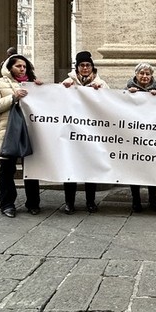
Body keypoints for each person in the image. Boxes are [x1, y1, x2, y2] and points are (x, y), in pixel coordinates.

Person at [0, 54, 43, 218]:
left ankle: (33, 203)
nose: (22, 69)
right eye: (18, 66)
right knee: (7, 170)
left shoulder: (32, 84)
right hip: (8, 133)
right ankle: (7, 204)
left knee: (32, 169)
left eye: (24, 66)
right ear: (9, 67)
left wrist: (42, 90)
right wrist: (13, 97)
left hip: (30, 132)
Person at [61, 51, 108, 213]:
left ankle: (90, 202)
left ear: (92, 67)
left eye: (88, 65)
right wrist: (63, 89)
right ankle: (69, 202)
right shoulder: (68, 82)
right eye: (82, 65)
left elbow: (110, 104)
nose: (85, 68)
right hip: (72, 133)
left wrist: (101, 92)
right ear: (77, 67)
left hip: (91, 134)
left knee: (90, 168)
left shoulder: (101, 83)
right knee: (70, 169)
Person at [126, 62, 156, 212]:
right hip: (133, 137)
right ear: (136, 74)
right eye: (141, 73)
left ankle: (153, 198)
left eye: (148, 74)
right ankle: (136, 199)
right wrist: (128, 95)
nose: (144, 76)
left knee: (151, 168)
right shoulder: (127, 89)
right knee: (135, 169)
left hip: (151, 137)